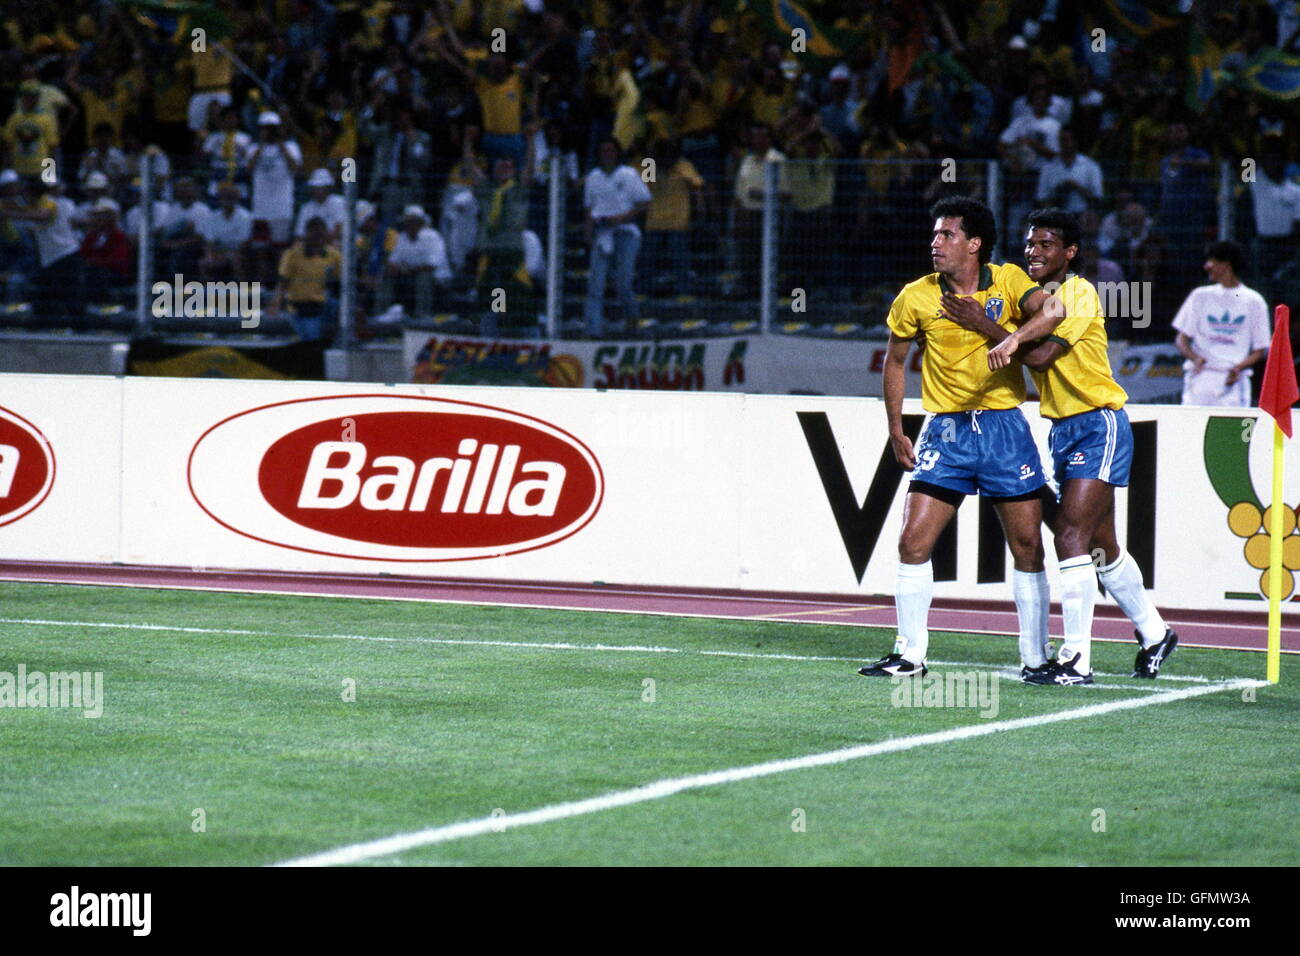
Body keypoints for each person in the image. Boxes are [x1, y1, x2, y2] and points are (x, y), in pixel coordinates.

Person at [858, 197, 1061, 680]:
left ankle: (1035, 658)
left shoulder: (1008, 280)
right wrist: (895, 428)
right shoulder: (917, 296)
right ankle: (909, 654)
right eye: (934, 235)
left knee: (1029, 545)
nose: (935, 243)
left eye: (946, 235)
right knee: (912, 541)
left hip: (1002, 428)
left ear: (975, 244)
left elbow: (1053, 310)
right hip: (945, 430)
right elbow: (894, 360)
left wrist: (1005, 337)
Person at [978, 209, 1180, 682]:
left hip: (1098, 423)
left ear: (1069, 253)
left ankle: (1076, 659)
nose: (1034, 252)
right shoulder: (1035, 304)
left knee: (1069, 534)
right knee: (1099, 545)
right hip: (1063, 429)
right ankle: (1155, 632)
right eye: (1030, 244)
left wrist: (993, 332)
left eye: (1046, 244)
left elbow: (1045, 356)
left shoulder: (1079, 292)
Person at [1172, 240, 1271, 407]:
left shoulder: (1254, 301)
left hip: (1233, 383)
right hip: (1199, 380)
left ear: (1225, 265)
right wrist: (1195, 358)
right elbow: (1181, 339)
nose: (1206, 266)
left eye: (1211, 261)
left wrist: (1238, 367)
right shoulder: (1199, 296)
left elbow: (1260, 349)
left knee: (1230, 432)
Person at [583, 138, 651, 337]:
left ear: (618, 152)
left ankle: (632, 320)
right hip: (601, 233)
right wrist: (588, 234)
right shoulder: (593, 177)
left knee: (623, 283)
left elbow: (645, 202)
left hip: (626, 233)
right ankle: (592, 330)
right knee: (595, 285)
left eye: (611, 150)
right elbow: (588, 208)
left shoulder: (629, 174)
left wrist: (621, 218)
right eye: (603, 150)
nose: (607, 154)